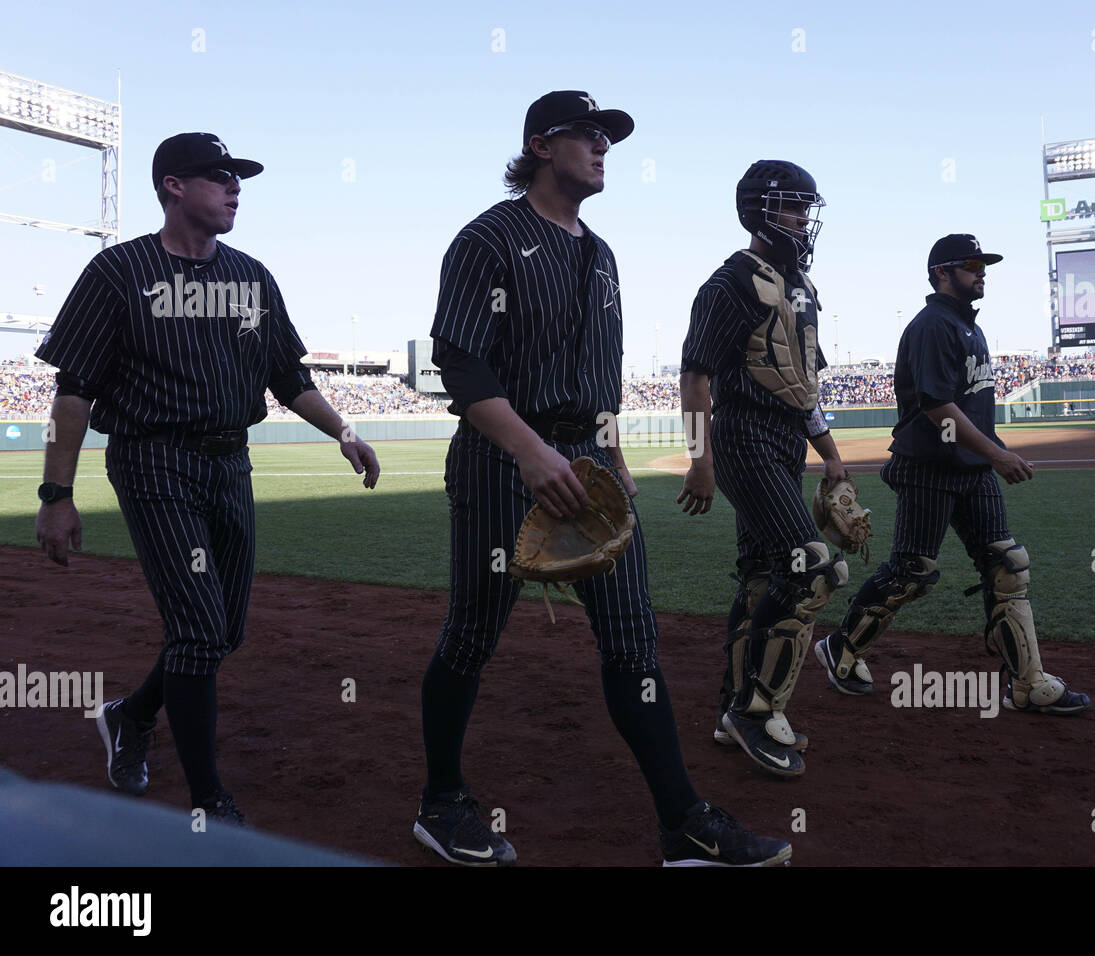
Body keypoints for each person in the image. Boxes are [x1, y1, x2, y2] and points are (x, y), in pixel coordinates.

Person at [420, 91, 790, 866]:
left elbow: (599, 373)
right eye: (586, 135)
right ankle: (443, 800)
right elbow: (458, 357)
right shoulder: (490, 237)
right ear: (540, 146)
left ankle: (681, 819)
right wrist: (527, 450)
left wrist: (612, 450)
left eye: (607, 137)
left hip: (588, 461)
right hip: (501, 461)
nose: (602, 147)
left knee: (633, 642)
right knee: (472, 636)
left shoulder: (603, 253)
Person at [34, 132, 381, 824]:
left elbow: (288, 375)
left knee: (224, 631)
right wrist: (56, 496)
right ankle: (209, 803)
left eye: (237, 178)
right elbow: (74, 389)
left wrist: (344, 430)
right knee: (197, 630)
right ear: (173, 186)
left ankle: (130, 716)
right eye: (219, 177)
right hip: (153, 458)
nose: (235, 188)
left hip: (229, 461)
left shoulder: (251, 276)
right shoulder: (119, 273)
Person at [812, 234, 1091, 716]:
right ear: (941, 272)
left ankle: (1026, 683)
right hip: (929, 469)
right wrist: (999, 455)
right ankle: (842, 647)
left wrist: (989, 456)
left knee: (1006, 565)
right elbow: (937, 407)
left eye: (984, 265)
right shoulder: (932, 326)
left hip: (973, 469)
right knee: (910, 574)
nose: (982, 272)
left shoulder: (968, 327)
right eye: (971, 265)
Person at [677, 160, 850, 779]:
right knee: (814, 568)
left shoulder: (799, 287)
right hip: (745, 442)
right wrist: (701, 459)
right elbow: (694, 374)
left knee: (760, 576)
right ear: (760, 210)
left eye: (807, 209)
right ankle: (756, 711)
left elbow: (802, 383)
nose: (805, 220)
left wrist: (830, 456)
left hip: (785, 447)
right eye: (794, 207)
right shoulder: (729, 284)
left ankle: (732, 712)